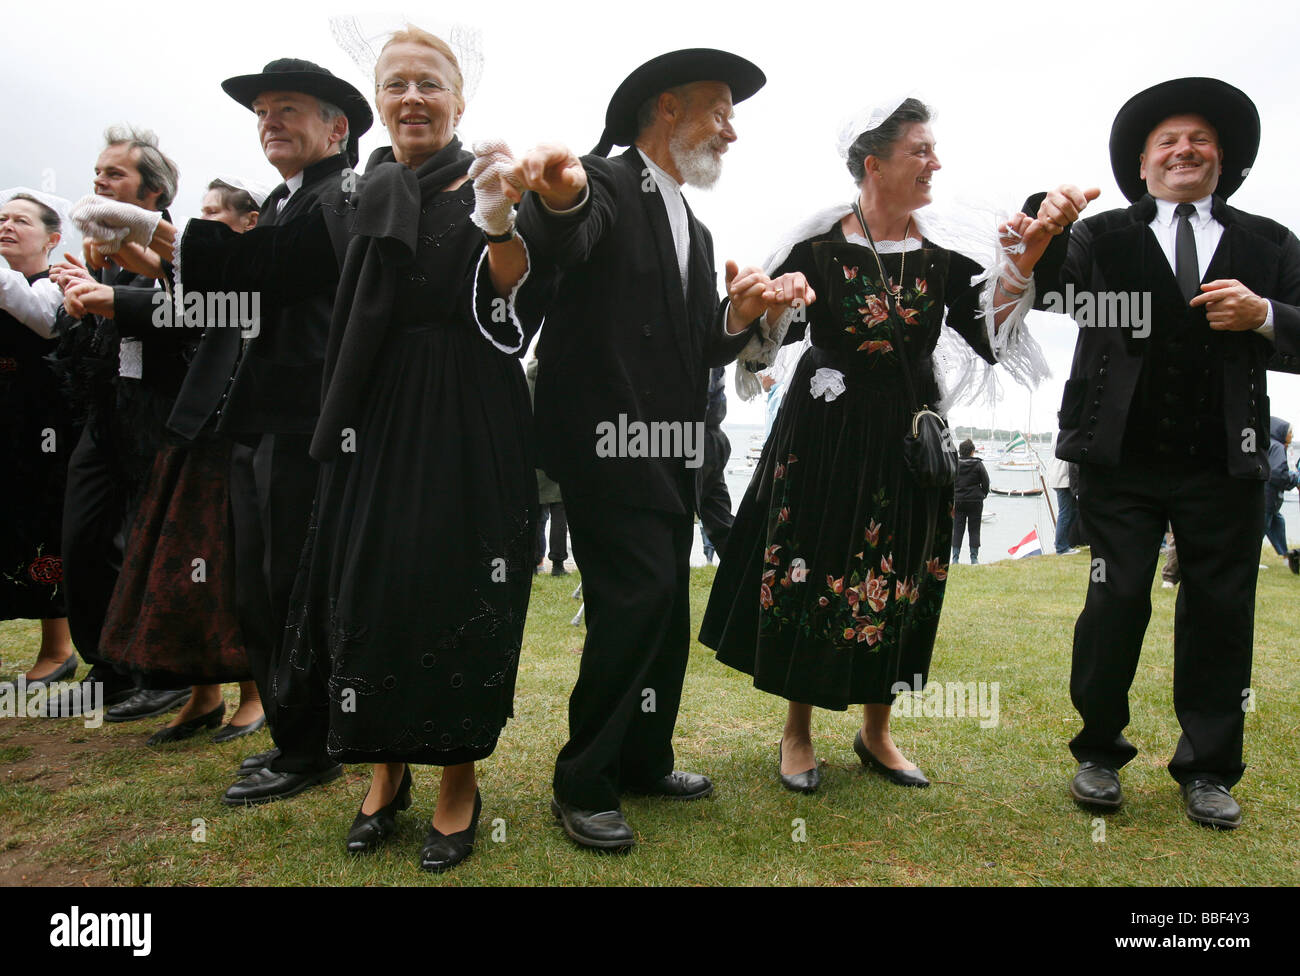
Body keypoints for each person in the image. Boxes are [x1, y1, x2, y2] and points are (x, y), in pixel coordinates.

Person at [162, 25, 544, 870]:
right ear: (377, 103)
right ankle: (384, 773)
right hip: (366, 413)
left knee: (451, 586)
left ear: (458, 100)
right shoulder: (359, 193)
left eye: (429, 84)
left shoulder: (489, 180)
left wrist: (500, 221)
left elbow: (517, 297)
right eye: (396, 84)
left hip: (464, 413)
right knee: (366, 587)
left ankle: (456, 782)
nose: (412, 98)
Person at [699, 97, 1067, 795]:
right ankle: (798, 731)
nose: (935, 164)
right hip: (825, 430)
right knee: (814, 561)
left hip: (909, 433)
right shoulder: (814, 251)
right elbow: (758, 349)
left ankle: (877, 731)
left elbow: (992, 338)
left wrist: (1027, 262)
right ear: (875, 164)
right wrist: (773, 303)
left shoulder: (944, 260)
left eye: (932, 151)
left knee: (904, 571)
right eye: (919, 152)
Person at [514, 48, 795, 851]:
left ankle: (643, 756)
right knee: (631, 607)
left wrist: (740, 314)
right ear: (666, 108)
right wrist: (558, 199)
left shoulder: (694, 225)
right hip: (607, 445)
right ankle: (584, 779)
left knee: (663, 613)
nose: (731, 132)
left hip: (673, 453)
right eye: (720, 111)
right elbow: (562, 235)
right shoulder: (600, 180)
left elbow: (699, 347)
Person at [1035, 78, 1300, 829]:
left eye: (1200, 139)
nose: (1185, 149)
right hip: (1120, 460)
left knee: (1221, 612)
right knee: (1114, 601)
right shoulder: (1103, 237)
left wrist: (1265, 315)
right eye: (1167, 142)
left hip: (1228, 460)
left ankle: (1209, 768)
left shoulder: (1271, 242)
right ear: (1143, 164)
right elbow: (1053, 294)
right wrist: (1044, 225)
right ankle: (1097, 751)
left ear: (1224, 159)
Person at [163, 59, 373, 804]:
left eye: (287, 108)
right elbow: (242, 281)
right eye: (261, 112)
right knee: (260, 587)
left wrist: (175, 235)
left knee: (290, 588)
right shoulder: (292, 201)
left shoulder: (342, 198)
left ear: (336, 128)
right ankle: (295, 737)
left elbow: (262, 270)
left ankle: (309, 745)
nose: (270, 122)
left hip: (304, 428)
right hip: (264, 425)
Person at [97, 179, 269, 746]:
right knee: (185, 564)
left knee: (230, 565)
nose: (203, 224)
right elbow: (170, 284)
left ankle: (253, 694)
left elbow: (190, 295)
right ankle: (202, 694)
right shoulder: (203, 270)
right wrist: (116, 237)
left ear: (249, 223)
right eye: (200, 213)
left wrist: (129, 230)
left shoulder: (259, 268)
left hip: (240, 429)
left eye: (216, 214)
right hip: (193, 424)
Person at [46, 127, 193, 722]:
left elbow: (186, 305)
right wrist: (78, 296)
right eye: (98, 174)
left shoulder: (182, 252)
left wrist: (116, 267)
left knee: (153, 541)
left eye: (115, 175)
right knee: (82, 541)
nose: (100, 183)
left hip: (162, 410)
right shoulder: (101, 252)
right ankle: (109, 668)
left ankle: (168, 672)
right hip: (105, 413)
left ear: (154, 191)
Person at [0, 190, 77, 689]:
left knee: (46, 529)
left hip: (42, 429)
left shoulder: (53, 286)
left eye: (20, 221)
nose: (6, 226)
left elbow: (45, 322)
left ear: (52, 238)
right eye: (1, 219)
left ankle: (58, 649)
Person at [525, 355, 569, 576]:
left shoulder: (527, 377)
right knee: (560, 511)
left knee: (537, 513)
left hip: (533, 452)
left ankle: (533, 562)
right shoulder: (558, 375)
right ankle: (558, 564)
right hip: (557, 451)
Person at [698, 365, 733, 563]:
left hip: (688, 436)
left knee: (670, 526)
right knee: (723, 524)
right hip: (713, 436)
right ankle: (747, 584)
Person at [952, 439, 990, 564]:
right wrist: (983, 494)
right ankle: (974, 558)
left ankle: (955, 558)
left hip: (958, 500)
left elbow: (950, 481)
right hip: (975, 500)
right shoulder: (978, 464)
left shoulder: (955, 463)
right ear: (972, 452)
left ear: (960, 451)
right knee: (974, 529)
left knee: (957, 528)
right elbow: (986, 482)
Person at [1263, 416, 1297, 558]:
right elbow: (1277, 473)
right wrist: (1295, 478)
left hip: (1269, 499)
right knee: (1259, 529)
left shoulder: (1270, 444)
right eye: (1291, 433)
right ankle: (1249, 558)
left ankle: (1286, 556)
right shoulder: (1277, 447)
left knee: (1278, 524)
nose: (1292, 436)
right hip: (1268, 498)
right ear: (1283, 432)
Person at [1046, 432, 1078, 554]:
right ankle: (1061, 546)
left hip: (1058, 477)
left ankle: (1062, 543)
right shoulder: (1063, 435)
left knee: (1071, 512)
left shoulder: (1057, 434)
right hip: (1062, 479)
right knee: (1065, 513)